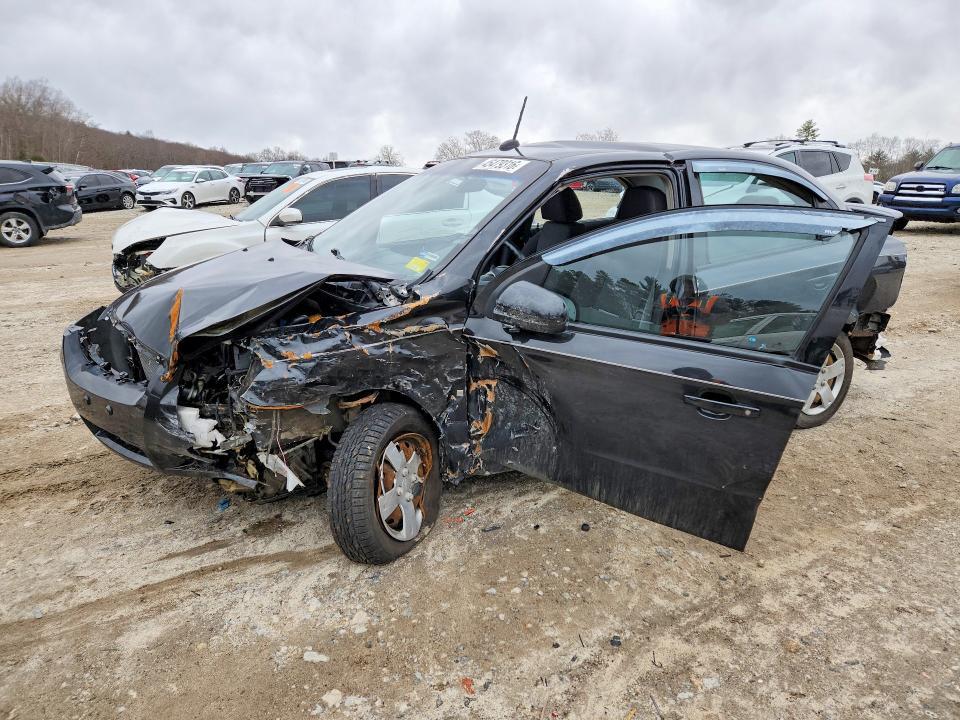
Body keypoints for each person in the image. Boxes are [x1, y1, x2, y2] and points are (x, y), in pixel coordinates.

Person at [659, 274, 721, 339]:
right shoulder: (665, 299)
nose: (686, 290)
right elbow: (651, 316)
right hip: (665, 342)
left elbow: (724, 319)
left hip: (699, 344)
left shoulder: (710, 301)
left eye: (690, 287)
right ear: (675, 288)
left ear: (698, 289)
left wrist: (700, 315)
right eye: (683, 286)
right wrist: (667, 313)